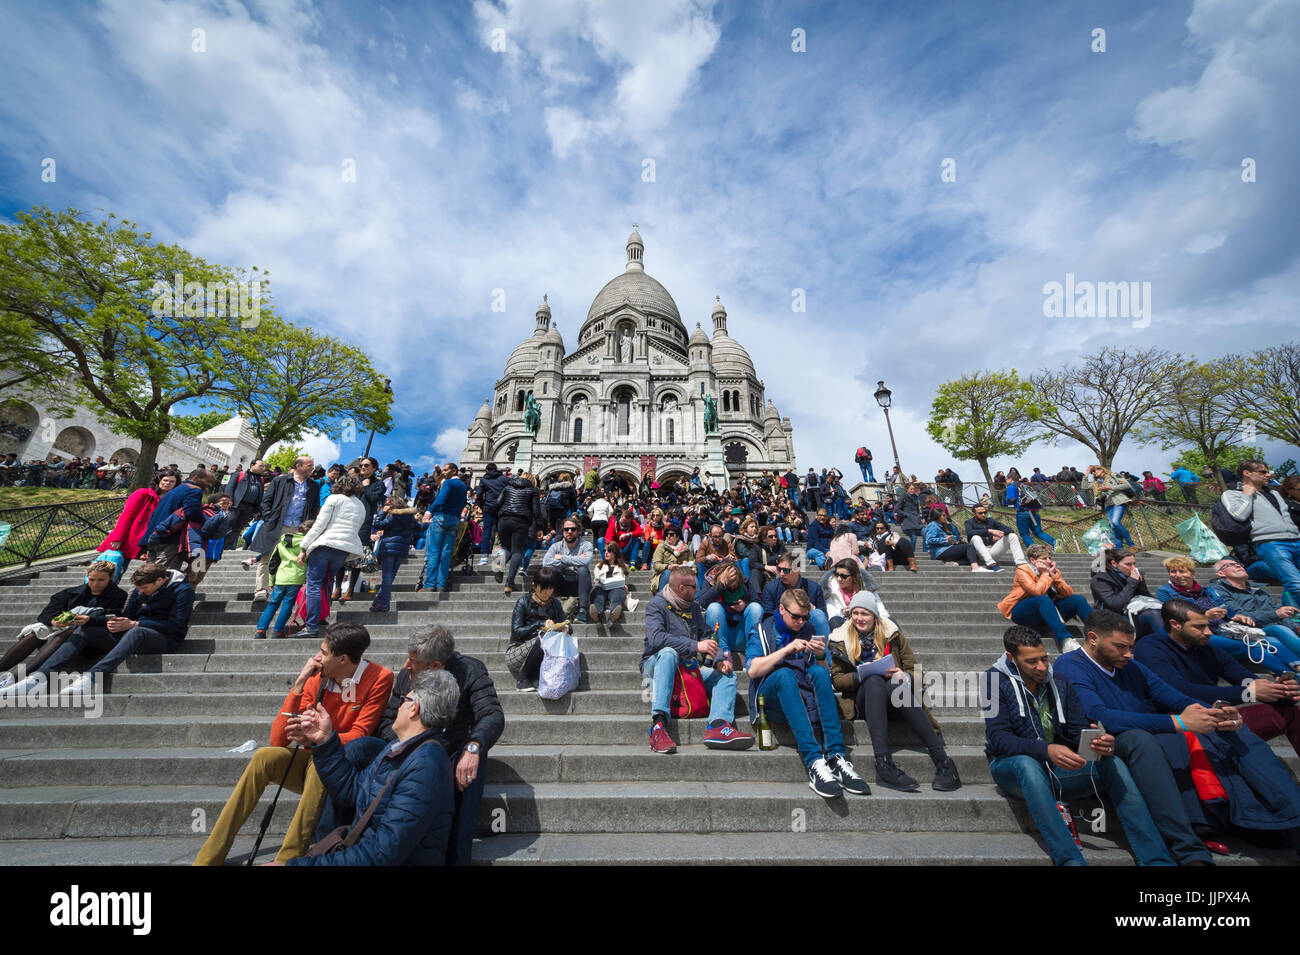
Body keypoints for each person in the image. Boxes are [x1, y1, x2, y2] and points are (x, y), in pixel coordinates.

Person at [1055, 609, 1300, 852]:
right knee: (1173, 739)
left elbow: (1172, 695)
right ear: (1093, 638)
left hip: (1154, 732)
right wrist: (1179, 723)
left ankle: (1284, 814)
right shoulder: (1070, 665)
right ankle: (1211, 823)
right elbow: (1100, 715)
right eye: (1120, 647)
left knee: (1231, 731)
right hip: (1116, 743)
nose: (1129, 654)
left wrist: (1215, 714)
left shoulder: (1131, 665)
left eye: (1131, 647)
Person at [194, 624, 395, 865]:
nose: (317, 657)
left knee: (319, 768)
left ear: (342, 659)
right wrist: (299, 685)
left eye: (323, 652)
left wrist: (318, 737)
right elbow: (278, 739)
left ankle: (286, 859)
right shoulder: (316, 679)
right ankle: (208, 857)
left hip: (342, 763)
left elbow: (360, 733)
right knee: (265, 756)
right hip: (312, 755)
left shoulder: (380, 677)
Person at [982, 626, 1178, 866]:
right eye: (1031, 662)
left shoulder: (1060, 680)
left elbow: (1076, 731)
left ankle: (1157, 860)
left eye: (1044, 658)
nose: (1042, 667)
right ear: (1012, 658)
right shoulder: (992, 681)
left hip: (1059, 769)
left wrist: (1096, 740)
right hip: (1012, 769)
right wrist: (1046, 750)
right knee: (1027, 765)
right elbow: (998, 738)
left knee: (1112, 761)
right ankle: (1070, 861)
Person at [281, 668, 458, 866]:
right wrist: (324, 740)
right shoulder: (399, 748)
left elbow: (382, 853)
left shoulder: (426, 766)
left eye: (402, 702)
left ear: (414, 709)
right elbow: (353, 790)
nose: (397, 708)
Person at [375, 626, 504, 865]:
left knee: (473, 762)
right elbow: (386, 721)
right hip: (409, 754)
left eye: (413, 662)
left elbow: (492, 715)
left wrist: (473, 746)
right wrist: (406, 746)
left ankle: (458, 856)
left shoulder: (471, 671)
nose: (406, 666)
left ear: (435, 666)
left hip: (450, 753)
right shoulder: (407, 676)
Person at [1136, 600, 1300, 760]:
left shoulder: (1209, 650)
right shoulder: (1149, 648)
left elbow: (1248, 681)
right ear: (1175, 624)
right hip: (1178, 729)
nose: (1209, 632)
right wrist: (1249, 693)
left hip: (1219, 722)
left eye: (1207, 625)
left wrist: (1281, 692)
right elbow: (1180, 691)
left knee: (1291, 713)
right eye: (1199, 627)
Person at [830, 591, 960, 792]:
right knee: (873, 679)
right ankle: (883, 761)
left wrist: (905, 676)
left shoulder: (892, 633)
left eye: (864, 613)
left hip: (896, 698)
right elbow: (837, 680)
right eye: (855, 613)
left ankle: (943, 761)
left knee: (895, 683)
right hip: (866, 701)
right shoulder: (840, 638)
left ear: (874, 615)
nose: (859, 618)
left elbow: (916, 670)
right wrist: (860, 676)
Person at [747, 587, 870, 797]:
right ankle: (814, 760)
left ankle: (836, 756)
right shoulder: (762, 629)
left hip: (803, 695)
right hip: (771, 699)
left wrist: (821, 656)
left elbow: (823, 676)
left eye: (805, 617)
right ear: (781, 609)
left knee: (819, 673)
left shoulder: (808, 627)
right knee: (784, 674)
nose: (801, 622)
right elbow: (752, 670)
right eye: (795, 616)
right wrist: (785, 650)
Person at [14, 563, 194, 699]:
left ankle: (91, 677)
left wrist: (135, 624)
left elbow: (176, 625)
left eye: (144, 588)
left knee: (136, 632)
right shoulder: (140, 591)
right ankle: (36, 679)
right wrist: (116, 622)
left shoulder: (183, 590)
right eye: (138, 588)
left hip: (164, 638)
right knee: (84, 630)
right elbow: (127, 615)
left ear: (160, 580)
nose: (141, 592)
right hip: (132, 632)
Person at [641, 566, 752, 753]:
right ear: (682, 588)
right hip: (656, 666)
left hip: (687, 667)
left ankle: (718, 725)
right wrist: (694, 646)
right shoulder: (656, 605)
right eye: (694, 587)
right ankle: (658, 726)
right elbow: (656, 639)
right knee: (668, 652)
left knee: (727, 676)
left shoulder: (692, 606)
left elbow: (708, 634)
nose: (698, 591)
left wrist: (718, 659)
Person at [1154, 556, 1300, 675]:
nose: (1177, 575)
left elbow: (1229, 613)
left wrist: (1238, 617)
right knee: (1253, 646)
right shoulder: (1165, 591)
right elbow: (1175, 616)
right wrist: (1205, 616)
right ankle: (1290, 675)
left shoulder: (1209, 591)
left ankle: (1297, 667)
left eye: (1182, 571)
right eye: (1173, 572)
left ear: (1193, 574)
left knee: (1267, 638)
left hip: (1225, 629)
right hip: (1200, 633)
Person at [0, 561, 128, 694]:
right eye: (92, 579)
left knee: (69, 633)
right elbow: (46, 614)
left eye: (101, 580)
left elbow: (117, 618)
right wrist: (54, 621)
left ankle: (19, 678)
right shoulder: (70, 593)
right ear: (87, 577)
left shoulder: (120, 596)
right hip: (60, 635)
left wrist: (90, 620)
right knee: (36, 633)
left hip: (90, 640)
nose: (95, 584)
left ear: (111, 577)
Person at [296, 473, 367, 638]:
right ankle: (321, 619)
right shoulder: (361, 506)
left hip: (325, 545)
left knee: (314, 584)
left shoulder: (334, 499)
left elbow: (319, 524)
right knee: (327, 583)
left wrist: (304, 547)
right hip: (343, 551)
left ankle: (311, 626)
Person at [1221, 460, 1300, 605]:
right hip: (1271, 543)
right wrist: (1247, 495)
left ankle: (1293, 617)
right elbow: (1239, 515)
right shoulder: (1232, 493)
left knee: (1292, 584)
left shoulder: (1275, 494)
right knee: (1295, 583)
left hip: (1295, 539)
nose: (1268, 475)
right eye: (1263, 472)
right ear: (1247, 473)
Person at [250, 455, 320, 602]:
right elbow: (266, 501)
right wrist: (269, 517)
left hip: (299, 529)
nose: (312, 468)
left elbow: (314, 507)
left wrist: (309, 523)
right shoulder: (279, 480)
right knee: (266, 558)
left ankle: (287, 593)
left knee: (295, 560)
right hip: (278, 525)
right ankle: (260, 591)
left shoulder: (313, 485)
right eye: (309, 465)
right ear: (299, 466)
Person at [997, 544, 1092, 652]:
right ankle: (1066, 641)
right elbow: (1037, 591)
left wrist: (1055, 576)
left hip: (1048, 611)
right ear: (1033, 560)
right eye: (1044, 558)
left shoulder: (1052, 572)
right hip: (1024, 612)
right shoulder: (1023, 570)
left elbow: (1068, 593)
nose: (1049, 561)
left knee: (1077, 599)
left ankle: (1099, 632)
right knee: (1043, 599)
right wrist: (1045, 574)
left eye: (1050, 558)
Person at [99, 469, 179, 568]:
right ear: (159, 480)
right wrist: (117, 537)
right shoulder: (143, 493)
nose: (168, 483)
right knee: (115, 568)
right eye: (165, 480)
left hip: (152, 539)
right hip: (130, 536)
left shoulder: (173, 500)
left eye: (172, 481)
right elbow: (127, 515)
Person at [506, 566, 567, 692]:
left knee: (550, 637)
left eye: (550, 589)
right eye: (543, 589)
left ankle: (536, 676)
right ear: (534, 586)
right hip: (518, 651)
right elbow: (516, 632)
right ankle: (524, 679)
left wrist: (564, 628)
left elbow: (565, 623)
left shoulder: (555, 604)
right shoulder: (523, 602)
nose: (547, 593)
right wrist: (540, 624)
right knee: (544, 636)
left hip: (545, 652)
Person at [142, 469, 215, 570]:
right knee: (162, 575)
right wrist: (206, 519)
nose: (210, 485)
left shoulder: (176, 490)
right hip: (171, 539)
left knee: (149, 573)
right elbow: (191, 511)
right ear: (196, 478)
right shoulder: (194, 490)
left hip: (156, 536)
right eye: (208, 481)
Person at [254, 520, 312, 639]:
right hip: (296, 578)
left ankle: (260, 630)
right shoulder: (307, 546)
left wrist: (271, 580)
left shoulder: (281, 543)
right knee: (287, 605)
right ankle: (278, 631)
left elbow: (273, 563)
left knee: (272, 605)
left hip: (281, 578)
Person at [1090, 548, 1164, 640]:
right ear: (1114, 564)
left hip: (1134, 613)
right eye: (1128, 564)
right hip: (1112, 618)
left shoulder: (1135, 574)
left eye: (1134, 564)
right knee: (1151, 614)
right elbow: (1115, 605)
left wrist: (1139, 583)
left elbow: (1145, 597)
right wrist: (1132, 582)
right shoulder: (1100, 580)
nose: (1133, 568)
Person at [417, 463, 467, 596]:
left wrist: (429, 512)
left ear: (454, 471)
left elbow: (441, 498)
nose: (443, 472)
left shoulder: (448, 483)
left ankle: (429, 584)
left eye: (446, 470)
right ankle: (441, 584)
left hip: (441, 517)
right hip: (454, 520)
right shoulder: (463, 486)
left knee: (434, 551)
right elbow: (463, 503)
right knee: (446, 553)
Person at [698, 560, 763, 661]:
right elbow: (702, 602)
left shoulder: (744, 582)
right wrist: (721, 585)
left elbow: (758, 602)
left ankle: (754, 654)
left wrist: (745, 605)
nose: (732, 587)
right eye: (729, 584)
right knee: (714, 607)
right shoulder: (711, 580)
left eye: (735, 584)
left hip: (741, 634)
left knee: (755, 607)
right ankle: (723, 656)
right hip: (720, 636)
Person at [496, 470, 544, 595]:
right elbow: (536, 510)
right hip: (520, 521)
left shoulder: (508, 487)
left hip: (503, 520)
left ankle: (499, 565)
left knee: (506, 547)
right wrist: (539, 527)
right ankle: (509, 583)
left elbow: (497, 503)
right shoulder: (533, 490)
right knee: (517, 551)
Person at [761, 553, 830, 638]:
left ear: (797, 570)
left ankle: (824, 650)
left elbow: (823, 616)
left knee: (818, 614)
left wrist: (811, 609)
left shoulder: (814, 588)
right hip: (781, 627)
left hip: (806, 624)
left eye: (786, 570)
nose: (781, 574)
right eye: (779, 569)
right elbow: (768, 615)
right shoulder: (771, 587)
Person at [369, 494, 418, 612]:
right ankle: (380, 598)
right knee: (391, 576)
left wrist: (382, 512)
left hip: (389, 549)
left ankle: (384, 603)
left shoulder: (393, 516)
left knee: (387, 576)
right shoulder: (410, 517)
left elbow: (377, 525)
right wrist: (428, 523)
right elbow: (419, 528)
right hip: (401, 550)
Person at [542, 516, 594, 623]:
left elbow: (586, 561)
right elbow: (546, 562)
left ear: (578, 531)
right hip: (562, 584)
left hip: (579, 584)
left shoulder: (586, 545)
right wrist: (576, 560)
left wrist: (562, 558)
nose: (569, 532)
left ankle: (583, 610)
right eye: (566, 529)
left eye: (573, 529)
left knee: (583, 569)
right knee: (551, 570)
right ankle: (552, 607)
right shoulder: (556, 546)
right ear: (563, 531)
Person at [821, 557, 887, 630]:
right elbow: (830, 612)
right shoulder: (831, 587)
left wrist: (865, 611)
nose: (839, 579)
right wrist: (843, 612)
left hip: (865, 621)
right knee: (835, 621)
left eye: (844, 576)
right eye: (837, 575)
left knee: (890, 622)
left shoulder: (866, 586)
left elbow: (881, 610)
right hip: (843, 622)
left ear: (854, 576)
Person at [923, 509, 998, 572]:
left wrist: (951, 530)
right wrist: (945, 539)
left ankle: (956, 564)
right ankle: (975, 568)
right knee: (969, 546)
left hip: (948, 549)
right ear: (938, 516)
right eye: (943, 515)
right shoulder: (933, 525)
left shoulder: (944, 525)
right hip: (939, 552)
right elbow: (929, 540)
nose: (945, 516)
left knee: (974, 556)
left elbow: (956, 536)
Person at [964, 502, 1027, 569]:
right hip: (978, 553)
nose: (983, 515)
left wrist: (1000, 534)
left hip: (992, 550)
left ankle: (1020, 563)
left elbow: (1009, 529)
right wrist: (990, 532)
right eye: (980, 513)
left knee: (1012, 535)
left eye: (985, 512)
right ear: (974, 514)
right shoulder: (969, 522)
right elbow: (970, 533)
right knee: (975, 537)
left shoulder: (991, 521)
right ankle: (991, 564)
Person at [1088, 465, 1136, 548]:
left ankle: (1131, 544)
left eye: (1095, 470)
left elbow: (1127, 485)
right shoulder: (1097, 482)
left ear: (1102, 470)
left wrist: (1110, 487)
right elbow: (1084, 486)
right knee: (1113, 526)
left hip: (1118, 501)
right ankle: (1118, 547)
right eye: (1092, 472)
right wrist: (1087, 473)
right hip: (1108, 504)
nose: (1094, 473)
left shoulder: (1113, 475)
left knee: (1115, 522)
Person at [224, 459, 266, 549]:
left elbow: (260, 494)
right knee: (228, 524)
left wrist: (257, 509)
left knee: (238, 528)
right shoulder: (239, 474)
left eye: (263, 466)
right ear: (252, 465)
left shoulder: (261, 479)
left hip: (249, 507)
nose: (262, 468)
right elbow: (229, 487)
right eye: (260, 466)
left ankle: (227, 548)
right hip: (235, 505)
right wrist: (229, 500)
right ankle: (220, 545)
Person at [589, 542, 630, 625]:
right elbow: (597, 579)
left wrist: (625, 587)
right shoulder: (598, 566)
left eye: (609, 550)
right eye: (604, 550)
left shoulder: (624, 567)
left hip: (616, 588)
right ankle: (596, 615)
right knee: (598, 594)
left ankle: (613, 616)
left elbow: (623, 580)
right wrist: (597, 581)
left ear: (615, 552)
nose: (606, 552)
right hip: (601, 588)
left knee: (617, 593)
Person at [587, 489, 612, 560]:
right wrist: (607, 516)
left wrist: (592, 516)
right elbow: (611, 510)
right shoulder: (607, 503)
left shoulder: (594, 503)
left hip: (594, 520)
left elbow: (589, 510)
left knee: (595, 535)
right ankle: (602, 550)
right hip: (603, 520)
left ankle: (595, 548)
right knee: (601, 536)